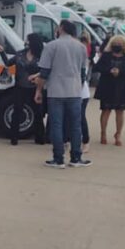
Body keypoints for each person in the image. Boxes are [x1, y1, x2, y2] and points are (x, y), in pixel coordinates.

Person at [35, 20, 92, 168]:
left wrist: (39, 90)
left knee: (56, 125)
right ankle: (76, 157)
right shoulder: (81, 47)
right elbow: (83, 72)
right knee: (75, 125)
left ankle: (58, 158)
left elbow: (44, 72)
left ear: (61, 28)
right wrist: (78, 87)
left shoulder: (51, 46)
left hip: (55, 91)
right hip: (74, 91)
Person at [0, 33, 45, 145]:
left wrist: (36, 76)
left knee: (38, 113)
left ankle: (40, 138)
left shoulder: (41, 55)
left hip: (34, 88)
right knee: (17, 111)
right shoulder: (20, 53)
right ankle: (14, 138)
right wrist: (2, 52)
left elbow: (45, 70)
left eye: (28, 40)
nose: (26, 42)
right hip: (20, 87)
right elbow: (8, 63)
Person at [94, 35, 125, 146]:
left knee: (120, 111)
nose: (117, 46)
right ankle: (103, 133)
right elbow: (97, 67)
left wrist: (120, 71)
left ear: (124, 45)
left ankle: (118, 134)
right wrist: (109, 70)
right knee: (106, 110)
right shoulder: (106, 56)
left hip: (121, 87)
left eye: (120, 44)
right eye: (115, 44)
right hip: (107, 86)